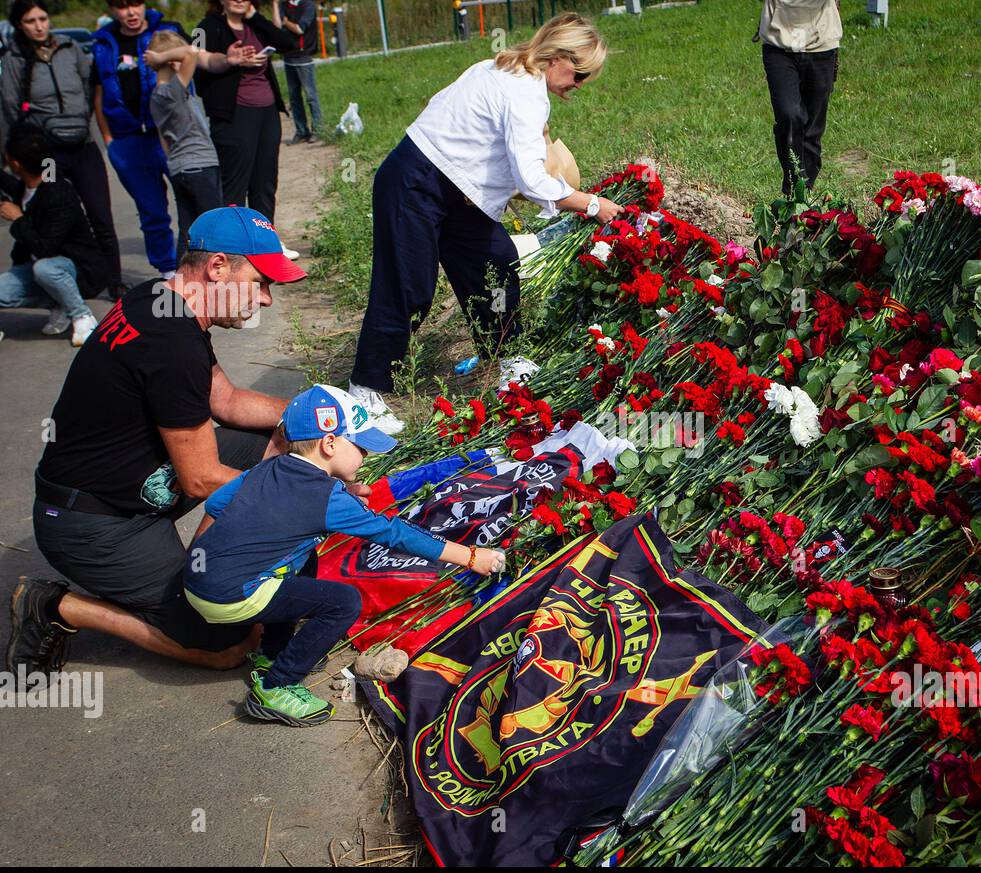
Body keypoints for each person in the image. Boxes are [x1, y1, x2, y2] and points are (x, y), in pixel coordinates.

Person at [5, 205, 309, 686]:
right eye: (260, 282)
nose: (266, 300)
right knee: (231, 645)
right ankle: (60, 606)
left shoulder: (158, 296)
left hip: (135, 485)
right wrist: (308, 497)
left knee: (277, 443)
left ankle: (211, 569)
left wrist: (319, 415)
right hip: (95, 526)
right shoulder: (171, 343)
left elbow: (226, 401)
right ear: (217, 268)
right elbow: (202, 478)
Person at [347, 13, 624, 436]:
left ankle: (508, 358)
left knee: (495, 262)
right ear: (557, 58)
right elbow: (532, 180)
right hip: (416, 183)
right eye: (580, 73)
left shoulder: (508, 69)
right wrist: (591, 205)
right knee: (409, 287)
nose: (580, 84)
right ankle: (364, 389)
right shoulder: (523, 89)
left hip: (455, 190)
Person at [184, 384, 506, 725]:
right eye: (361, 447)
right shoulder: (325, 499)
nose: (365, 456)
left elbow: (218, 504)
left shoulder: (269, 468)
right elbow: (396, 534)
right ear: (329, 444)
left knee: (305, 559)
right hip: (231, 595)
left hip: (197, 576)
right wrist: (472, 557)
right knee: (343, 602)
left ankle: (273, 653)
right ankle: (276, 686)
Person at [0, 0, 124, 299]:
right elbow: (9, 108)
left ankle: (115, 281)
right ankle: (47, 285)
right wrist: (10, 155)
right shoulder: (15, 59)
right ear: (20, 25)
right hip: (47, 151)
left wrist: (98, 130)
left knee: (100, 216)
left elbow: (89, 91)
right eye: (31, 21)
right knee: (48, 216)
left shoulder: (70, 49)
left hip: (82, 145)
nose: (40, 25)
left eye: (43, 18)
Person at [192, 0, 298, 255]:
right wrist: (229, 60)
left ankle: (266, 243)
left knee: (265, 182)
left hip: (268, 112)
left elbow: (288, 44)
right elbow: (195, 60)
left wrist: (254, 16)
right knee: (236, 185)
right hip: (233, 116)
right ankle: (234, 249)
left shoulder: (256, 24)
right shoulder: (206, 27)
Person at [91, 1, 185, 277]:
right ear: (110, 9)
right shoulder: (102, 43)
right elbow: (98, 95)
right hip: (127, 141)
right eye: (121, 6)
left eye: (135, 4)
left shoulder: (168, 30)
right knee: (151, 211)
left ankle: (199, 263)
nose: (130, 12)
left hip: (168, 136)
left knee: (192, 202)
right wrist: (109, 139)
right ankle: (168, 270)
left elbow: (194, 62)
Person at [0, 128, 107, 344]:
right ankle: (60, 304)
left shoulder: (58, 193)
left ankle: (82, 316)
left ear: (17, 164)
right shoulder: (26, 186)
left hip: (78, 270)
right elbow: (7, 182)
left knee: (45, 268)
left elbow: (44, 248)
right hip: (43, 271)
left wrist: (19, 218)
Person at [144, 29, 223, 257]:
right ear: (171, 60)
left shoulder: (156, 96)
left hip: (180, 168)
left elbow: (163, 139)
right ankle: (216, 283)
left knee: (188, 230)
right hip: (200, 166)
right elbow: (193, 51)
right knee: (213, 228)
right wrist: (162, 57)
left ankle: (185, 285)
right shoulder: (172, 91)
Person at [756, 0, 842, 196]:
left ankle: (803, 196)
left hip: (821, 44)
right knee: (789, 115)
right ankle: (794, 186)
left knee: (813, 129)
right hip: (778, 43)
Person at [279, 0, 321, 144]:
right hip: (288, 56)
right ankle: (301, 131)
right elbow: (277, 26)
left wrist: (286, 23)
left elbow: (300, 29)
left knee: (311, 96)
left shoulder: (308, 5)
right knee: (294, 97)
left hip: (304, 56)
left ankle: (318, 130)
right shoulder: (283, 5)